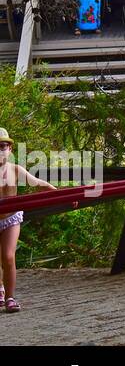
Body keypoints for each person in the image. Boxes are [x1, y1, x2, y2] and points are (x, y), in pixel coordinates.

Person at [1, 127, 58, 312]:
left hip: (10, 218)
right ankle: (0, 289)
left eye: (4, 146)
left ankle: (10, 297)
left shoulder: (15, 169)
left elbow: (39, 184)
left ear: (10, 150)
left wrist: (61, 195)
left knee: (8, 256)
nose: (0, 151)